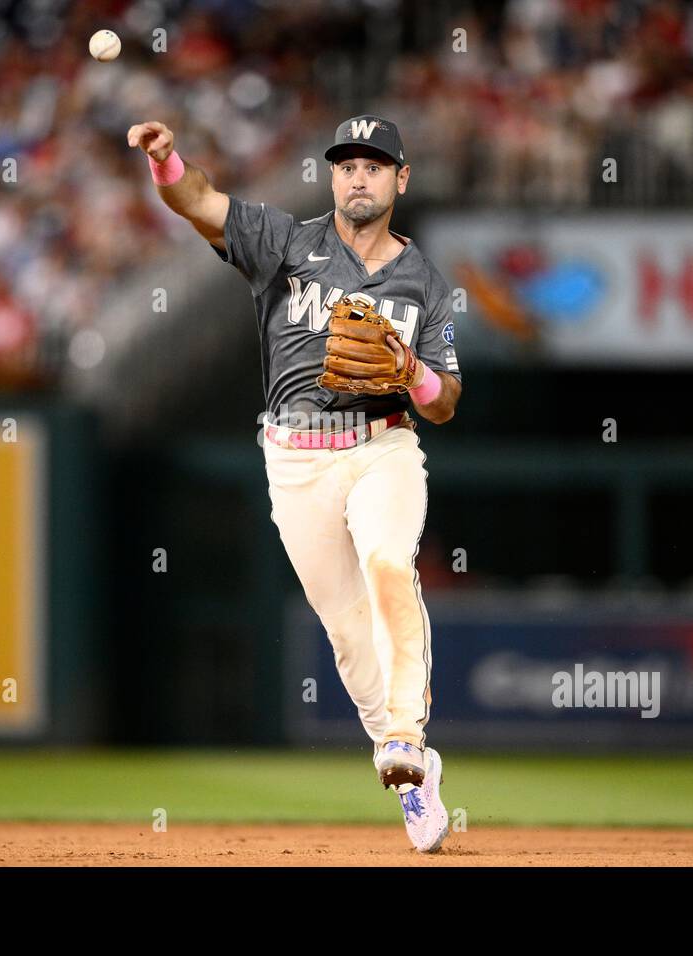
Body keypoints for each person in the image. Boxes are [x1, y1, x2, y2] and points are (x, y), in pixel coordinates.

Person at [128, 114, 462, 852]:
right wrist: (167, 162)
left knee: (387, 564)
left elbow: (445, 404)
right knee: (346, 633)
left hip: (383, 446)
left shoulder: (425, 282)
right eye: (347, 165)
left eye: (375, 165)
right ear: (332, 176)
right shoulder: (285, 242)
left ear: (400, 180)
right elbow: (202, 203)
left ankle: (405, 734)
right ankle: (408, 768)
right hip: (295, 457)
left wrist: (413, 373)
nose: (359, 176)